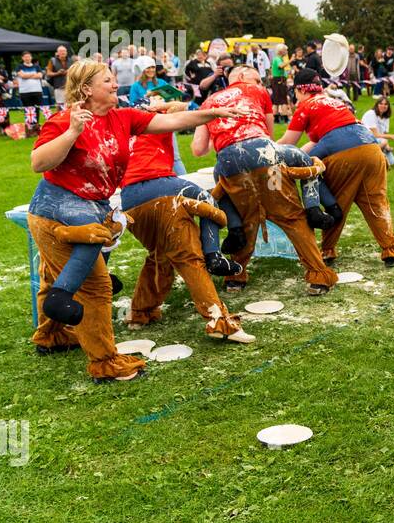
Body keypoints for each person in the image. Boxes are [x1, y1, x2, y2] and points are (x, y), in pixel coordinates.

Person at [27, 61, 248, 381]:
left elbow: (172, 120)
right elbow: (38, 162)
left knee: (59, 274)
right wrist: (73, 132)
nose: (116, 84)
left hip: (90, 207)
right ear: (87, 89)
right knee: (95, 286)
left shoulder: (123, 118)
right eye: (108, 80)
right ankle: (104, 363)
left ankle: (53, 335)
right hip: (53, 210)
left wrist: (211, 115)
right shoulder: (64, 120)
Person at [192, 64, 336, 294]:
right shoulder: (258, 92)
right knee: (291, 216)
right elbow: (268, 136)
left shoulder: (208, 103)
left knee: (249, 219)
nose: (260, 84)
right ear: (240, 76)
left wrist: (221, 137)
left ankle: (235, 277)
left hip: (228, 164)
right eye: (257, 79)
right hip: (264, 156)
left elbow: (198, 149)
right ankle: (318, 270)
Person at [120, 100, 253, 344]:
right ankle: (217, 306)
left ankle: (140, 312)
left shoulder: (122, 128)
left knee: (159, 254)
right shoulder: (153, 118)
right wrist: (161, 104)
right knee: (202, 220)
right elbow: (180, 108)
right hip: (161, 187)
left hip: (129, 199)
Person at [279, 69, 394, 267]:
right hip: (372, 149)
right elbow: (312, 145)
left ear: (299, 90)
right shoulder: (334, 102)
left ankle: (327, 250)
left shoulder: (306, 106)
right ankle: (392, 250)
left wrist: (266, 151)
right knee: (377, 201)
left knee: (338, 201)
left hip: (344, 153)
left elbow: (289, 142)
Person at [269, 43, 292, 122]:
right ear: (281, 51)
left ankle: (276, 119)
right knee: (283, 99)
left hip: (277, 80)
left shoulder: (278, 58)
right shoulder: (278, 59)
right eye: (285, 50)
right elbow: (281, 66)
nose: (286, 52)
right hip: (279, 80)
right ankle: (285, 118)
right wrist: (291, 60)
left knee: (277, 100)